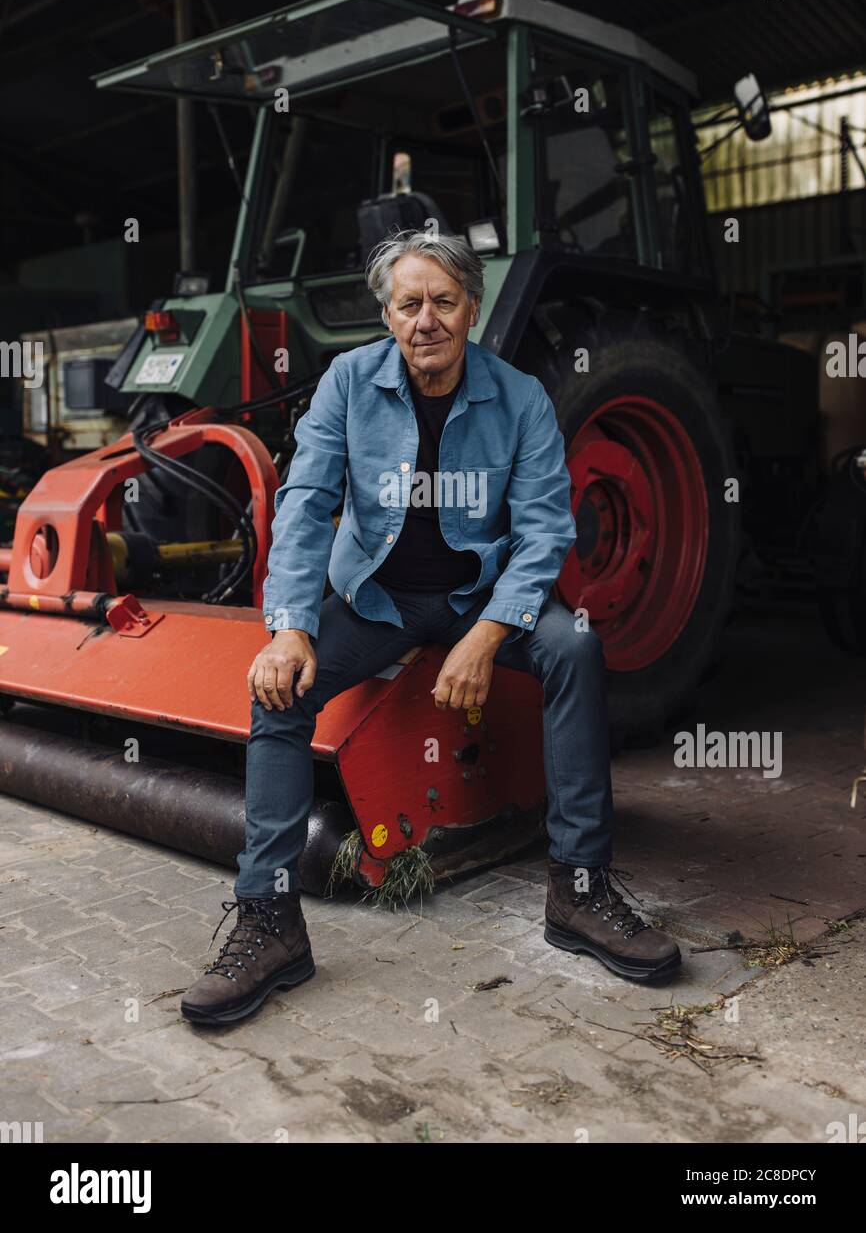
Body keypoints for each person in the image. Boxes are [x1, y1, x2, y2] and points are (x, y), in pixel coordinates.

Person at [181, 230, 680, 1025]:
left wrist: (488, 634)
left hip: (481, 597)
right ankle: (270, 922)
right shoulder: (346, 384)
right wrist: (290, 626)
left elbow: (546, 530)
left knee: (576, 647)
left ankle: (580, 889)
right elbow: (306, 504)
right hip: (378, 601)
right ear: (386, 315)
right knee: (278, 692)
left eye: (444, 302)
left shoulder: (519, 398)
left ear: (472, 310)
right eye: (409, 304)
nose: (427, 320)